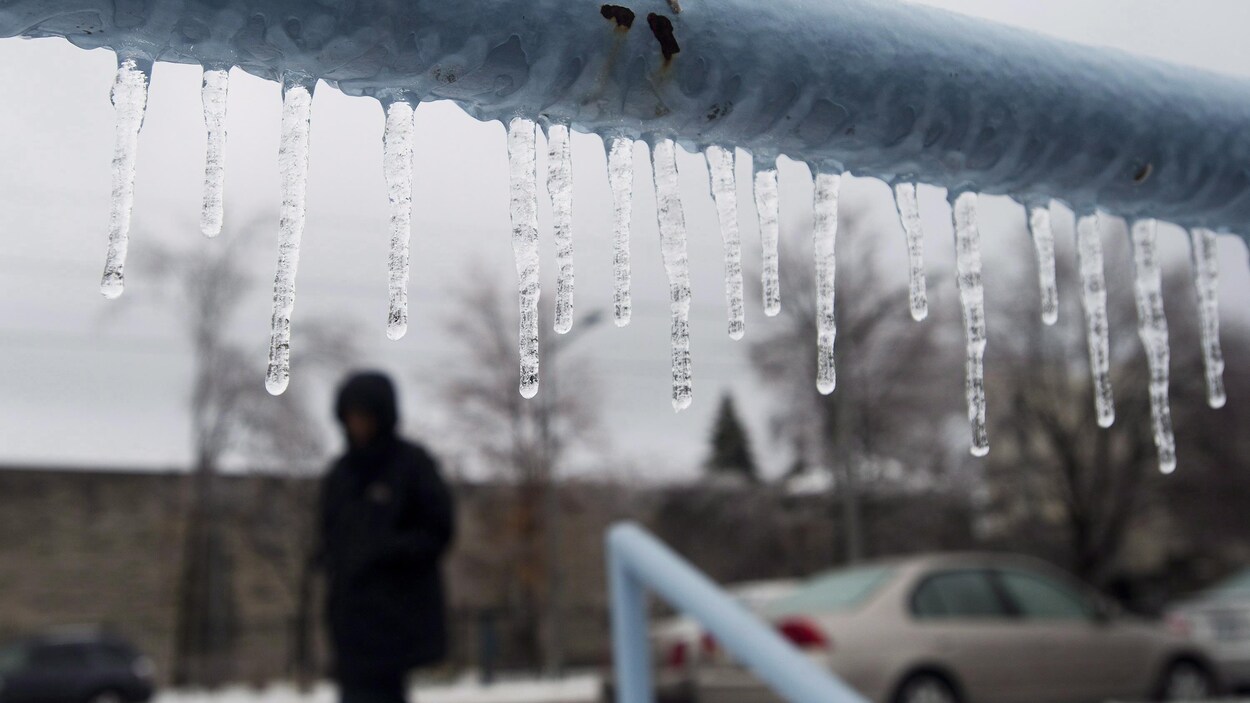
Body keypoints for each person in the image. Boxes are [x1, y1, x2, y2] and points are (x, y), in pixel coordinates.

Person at [317, 371, 455, 703]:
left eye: (365, 415)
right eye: (351, 416)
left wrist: (386, 551)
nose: (358, 424)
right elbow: (329, 535)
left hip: (397, 619)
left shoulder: (411, 465)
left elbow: (437, 530)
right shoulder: (340, 474)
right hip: (351, 619)